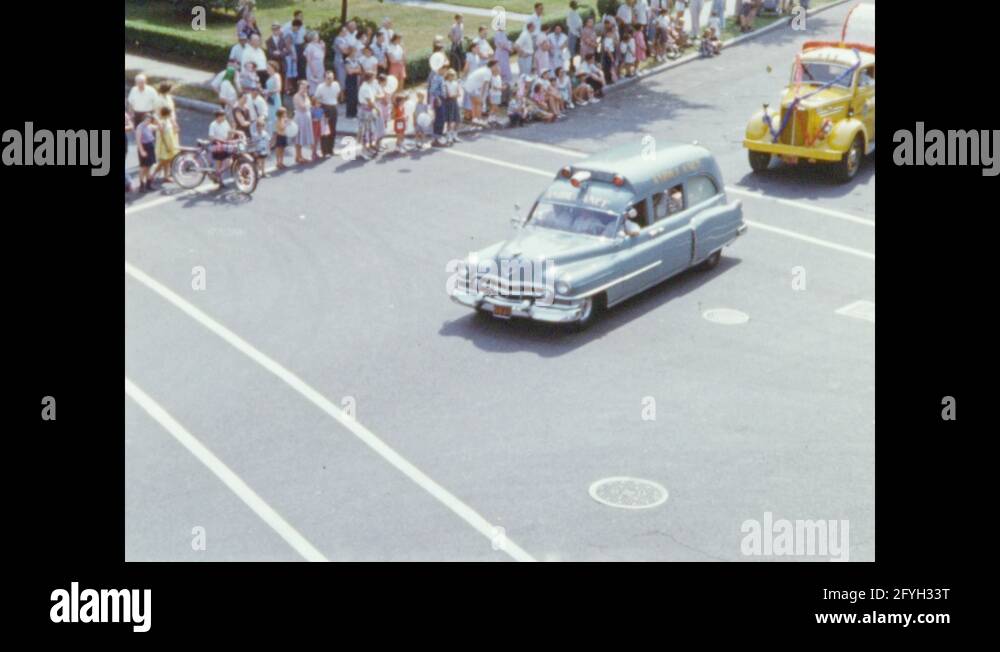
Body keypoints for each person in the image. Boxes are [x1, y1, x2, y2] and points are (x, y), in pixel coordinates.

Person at [314, 70, 341, 156]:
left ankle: (331, 149)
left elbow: (338, 94)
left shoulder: (336, 85)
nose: (330, 80)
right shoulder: (320, 87)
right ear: (324, 79)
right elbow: (316, 98)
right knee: (325, 130)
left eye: (332, 78)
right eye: (328, 78)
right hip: (325, 107)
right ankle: (324, 150)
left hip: (333, 107)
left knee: (333, 129)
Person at [208, 109, 237, 186]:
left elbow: (229, 134)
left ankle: (217, 173)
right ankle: (219, 180)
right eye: (222, 116)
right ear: (218, 117)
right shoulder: (213, 125)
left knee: (229, 161)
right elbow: (211, 137)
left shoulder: (225, 123)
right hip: (217, 145)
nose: (224, 117)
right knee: (219, 162)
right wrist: (220, 140)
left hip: (225, 143)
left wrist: (234, 130)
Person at [153, 106, 179, 183]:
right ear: (167, 114)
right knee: (163, 162)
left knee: (167, 161)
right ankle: (152, 176)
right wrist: (168, 146)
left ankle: (166, 176)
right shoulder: (162, 123)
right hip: (164, 146)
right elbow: (163, 137)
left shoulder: (167, 121)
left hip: (169, 144)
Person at [135, 112, 158, 192]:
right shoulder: (140, 127)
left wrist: (157, 119)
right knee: (143, 167)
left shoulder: (150, 126)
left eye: (150, 120)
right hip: (144, 147)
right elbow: (138, 141)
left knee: (149, 166)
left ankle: (148, 184)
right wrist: (141, 151)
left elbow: (159, 127)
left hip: (150, 146)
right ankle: (141, 185)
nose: (148, 121)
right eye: (147, 119)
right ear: (143, 119)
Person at [292, 80, 313, 163]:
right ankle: (298, 156)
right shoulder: (297, 96)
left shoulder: (305, 95)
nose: (304, 89)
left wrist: (308, 105)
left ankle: (300, 156)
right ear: (299, 87)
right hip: (299, 118)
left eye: (306, 87)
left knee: (302, 138)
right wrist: (308, 105)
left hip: (305, 118)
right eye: (302, 87)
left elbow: (308, 105)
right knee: (298, 137)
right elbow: (303, 107)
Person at [443, 68, 461, 144]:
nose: (452, 76)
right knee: (449, 120)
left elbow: (459, 93)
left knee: (457, 119)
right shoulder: (445, 83)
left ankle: (455, 135)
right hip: (448, 103)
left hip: (455, 102)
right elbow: (448, 95)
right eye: (450, 75)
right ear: (447, 76)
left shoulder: (456, 83)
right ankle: (448, 135)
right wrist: (454, 95)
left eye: (453, 75)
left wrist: (454, 95)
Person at [264, 60, 282, 133]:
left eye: (269, 68)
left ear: (273, 68)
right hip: (269, 99)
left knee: (274, 117)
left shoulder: (276, 76)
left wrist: (269, 92)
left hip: (274, 99)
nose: (267, 69)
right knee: (269, 117)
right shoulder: (270, 77)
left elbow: (278, 88)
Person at [344, 47, 362, 119]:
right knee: (350, 96)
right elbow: (349, 71)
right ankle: (349, 113)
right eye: (354, 52)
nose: (355, 53)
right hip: (349, 79)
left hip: (355, 78)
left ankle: (354, 112)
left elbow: (360, 70)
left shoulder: (357, 60)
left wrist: (353, 70)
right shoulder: (347, 60)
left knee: (355, 96)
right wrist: (355, 70)